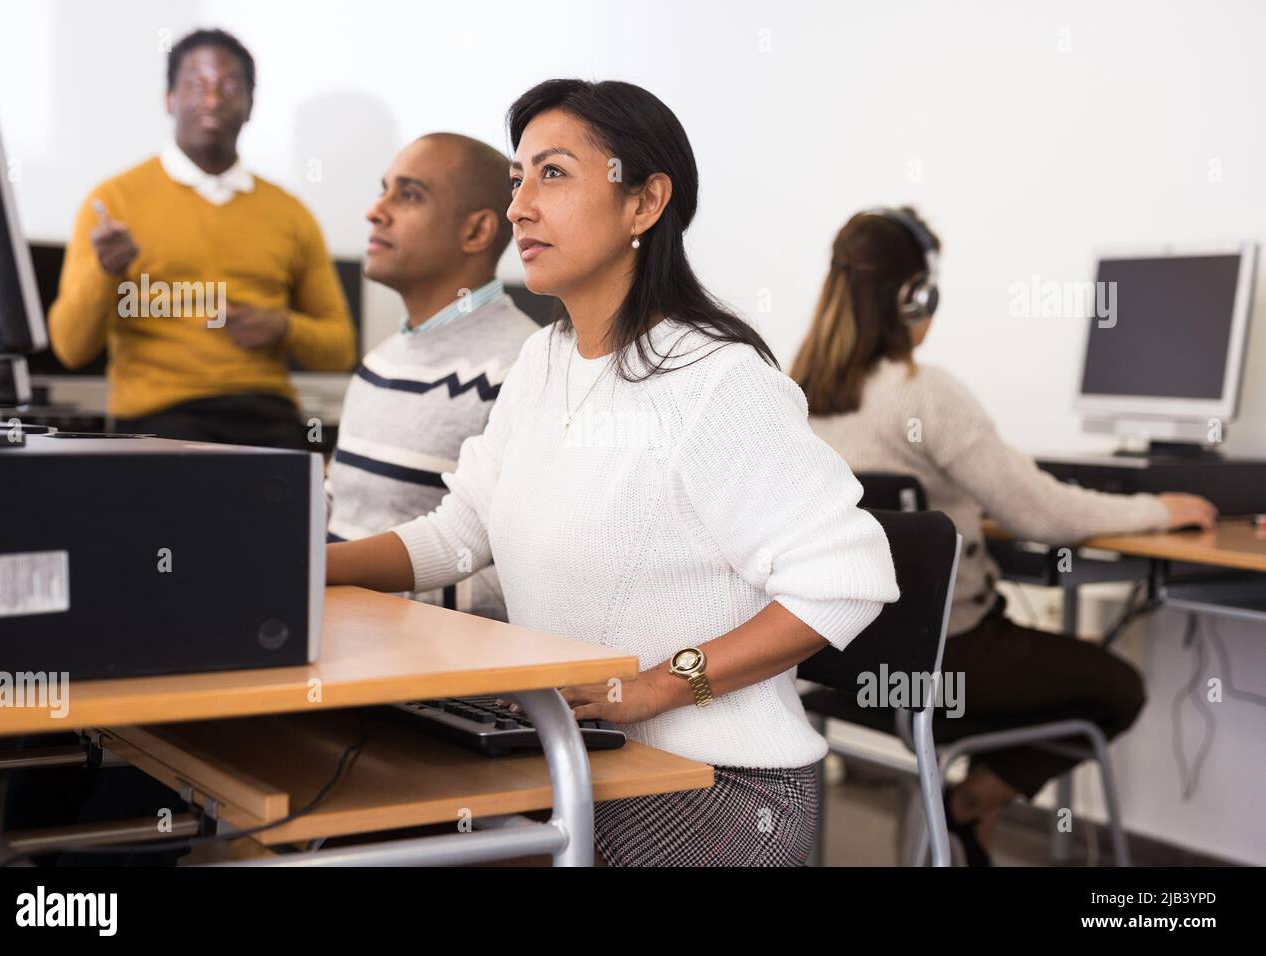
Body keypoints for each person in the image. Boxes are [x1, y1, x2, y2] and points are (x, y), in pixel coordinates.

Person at [326, 79, 900, 866]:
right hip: (582, 752)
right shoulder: (543, 359)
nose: (522, 205)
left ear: (645, 201)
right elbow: (459, 533)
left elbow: (845, 579)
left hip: (717, 786)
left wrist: (665, 684)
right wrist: (307, 571)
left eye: (553, 174)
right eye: (518, 179)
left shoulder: (718, 381)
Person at [792, 206, 1218, 865]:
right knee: (1117, 686)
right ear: (916, 297)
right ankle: (973, 800)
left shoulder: (800, 397)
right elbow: (1041, 515)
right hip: (943, 660)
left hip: (840, 659)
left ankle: (966, 805)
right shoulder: (923, 394)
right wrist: (1161, 508)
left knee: (1032, 656)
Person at [47, 28, 355, 448]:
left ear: (250, 105)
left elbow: (340, 349)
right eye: (195, 85)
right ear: (168, 99)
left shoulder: (290, 212)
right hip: (156, 416)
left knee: (296, 494)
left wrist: (283, 327)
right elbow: (70, 349)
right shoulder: (114, 200)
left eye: (229, 87)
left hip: (264, 411)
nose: (212, 100)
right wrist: (107, 270)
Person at [326, 133, 539, 621]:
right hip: (335, 626)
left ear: (477, 232)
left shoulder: (521, 367)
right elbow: (338, 509)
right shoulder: (379, 362)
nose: (375, 211)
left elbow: (517, 576)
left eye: (409, 194)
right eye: (383, 189)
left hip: (418, 661)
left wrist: (351, 598)